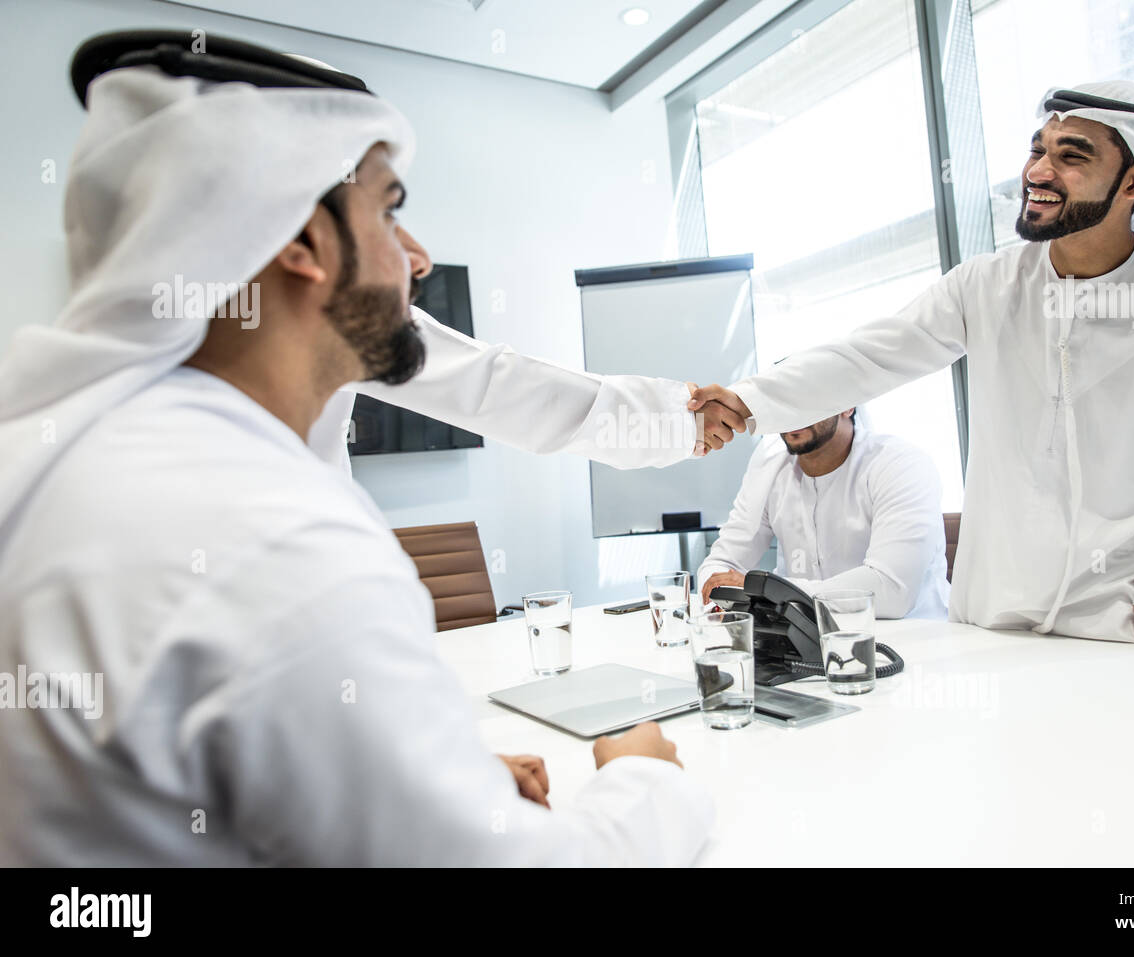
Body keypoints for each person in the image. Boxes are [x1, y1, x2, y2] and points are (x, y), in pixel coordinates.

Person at [0, 32, 712, 866]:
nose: (418, 258)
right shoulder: (268, 535)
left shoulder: (65, 460)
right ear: (301, 239)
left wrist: (427, 773)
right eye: (389, 209)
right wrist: (643, 778)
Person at [689, 81, 1134, 655]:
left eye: (1071, 156)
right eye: (1038, 150)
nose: (1038, 171)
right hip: (990, 626)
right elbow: (867, 357)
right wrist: (750, 401)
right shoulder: (986, 285)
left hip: (1115, 625)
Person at [697, 408, 949, 620]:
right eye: (780, 401)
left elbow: (892, 593)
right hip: (803, 645)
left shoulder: (899, 464)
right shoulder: (769, 461)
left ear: (847, 406)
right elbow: (721, 564)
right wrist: (723, 592)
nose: (790, 414)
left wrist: (770, 591)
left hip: (913, 642)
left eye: (805, 399)